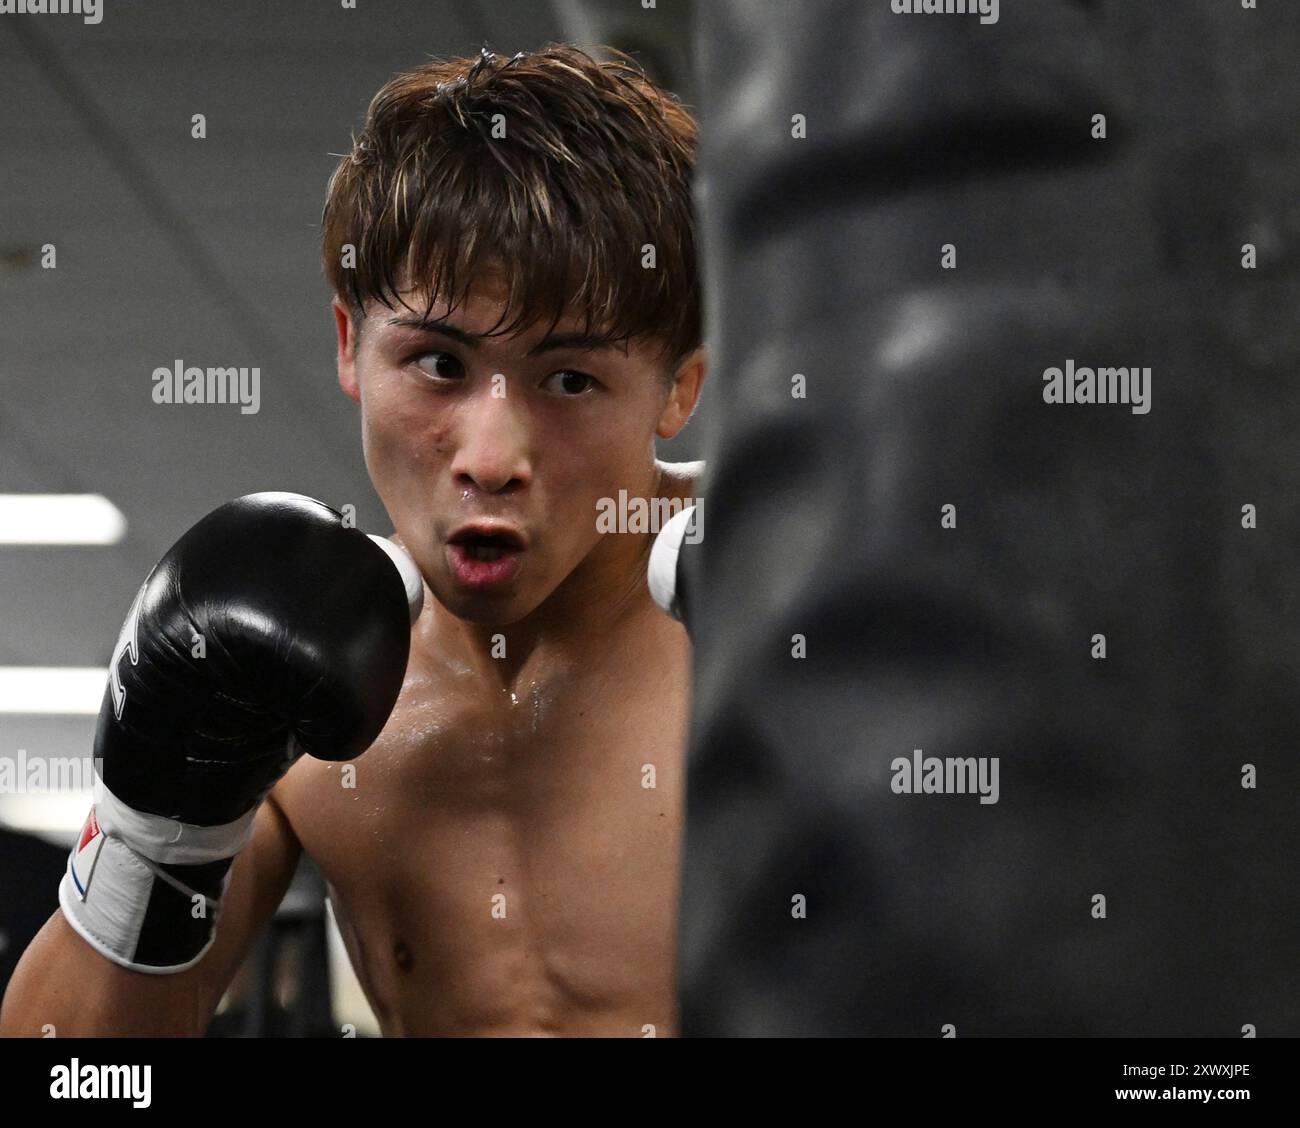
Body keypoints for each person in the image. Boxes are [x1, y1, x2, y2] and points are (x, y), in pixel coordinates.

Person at [0, 42, 706, 1038]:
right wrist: (154, 824)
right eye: (436, 362)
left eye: (570, 379)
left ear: (680, 384)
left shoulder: (780, 612)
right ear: (349, 346)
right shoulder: (294, 677)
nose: (491, 457)